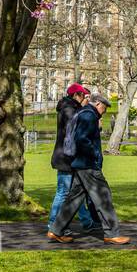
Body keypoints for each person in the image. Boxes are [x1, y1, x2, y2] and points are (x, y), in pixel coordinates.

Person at [48, 93, 130, 245]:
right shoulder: (89, 116)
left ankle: (56, 230)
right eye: (104, 108)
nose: (104, 112)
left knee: (73, 199)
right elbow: (82, 139)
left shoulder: (82, 113)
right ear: (98, 104)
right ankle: (112, 233)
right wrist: (94, 155)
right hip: (88, 165)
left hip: (79, 164)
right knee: (104, 197)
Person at [47, 84, 100, 236]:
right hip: (65, 157)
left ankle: (87, 222)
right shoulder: (69, 110)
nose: (85, 98)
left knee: (74, 193)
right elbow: (76, 130)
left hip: (67, 156)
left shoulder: (70, 108)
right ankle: (53, 223)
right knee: (63, 192)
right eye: (83, 96)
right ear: (76, 95)